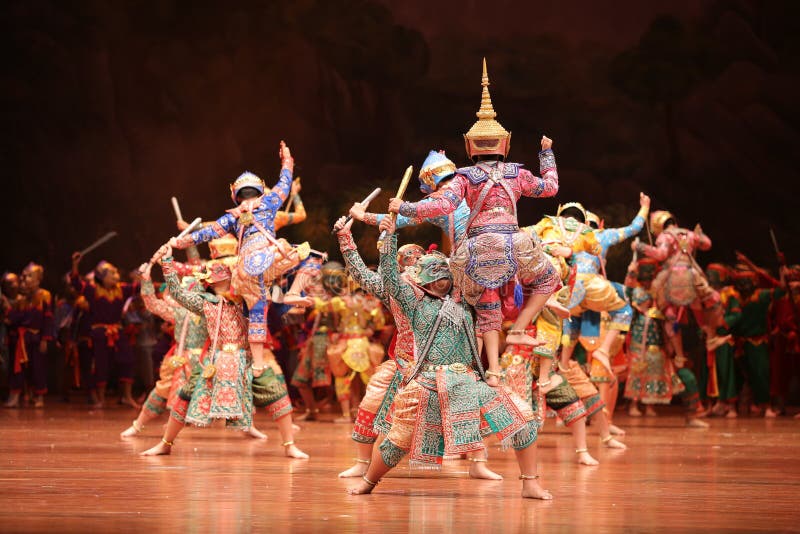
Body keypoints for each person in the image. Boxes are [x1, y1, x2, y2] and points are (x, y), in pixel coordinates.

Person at [388, 59, 561, 394]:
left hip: (474, 251)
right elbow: (550, 188)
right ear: (505, 144)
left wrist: (405, 206)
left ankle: (491, 370)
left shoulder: (465, 177)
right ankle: (521, 328)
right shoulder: (517, 174)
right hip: (514, 243)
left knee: (486, 305)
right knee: (548, 279)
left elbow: (443, 204)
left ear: (470, 147)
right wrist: (547, 155)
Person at [348, 217, 550, 499]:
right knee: (398, 441)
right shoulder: (412, 300)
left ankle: (530, 483)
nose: (442, 277)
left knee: (523, 419)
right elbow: (390, 278)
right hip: (428, 381)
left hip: (466, 380)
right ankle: (368, 480)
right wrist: (388, 237)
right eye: (435, 273)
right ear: (421, 279)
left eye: (446, 273)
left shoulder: (464, 298)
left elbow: (486, 277)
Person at [141, 245, 307, 458]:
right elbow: (177, 293)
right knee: (184, 396)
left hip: (246, 360)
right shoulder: (206, 304)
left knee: (277, 393)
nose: (221, 281)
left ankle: (290, 445)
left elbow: (271, 293)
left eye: (225, 277)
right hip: (215, 361)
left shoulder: (250, 300)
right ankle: (165, 443)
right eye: (216, 279)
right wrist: (167, 262)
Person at [70, 254, 139, 408]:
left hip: (117, 331)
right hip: (100, 333)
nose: (117, 275)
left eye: (116, 272)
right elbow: (75, 283)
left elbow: (138, 287)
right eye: (112, 273)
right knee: (101, 365)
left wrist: (141, 275)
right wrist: (75, 264)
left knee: (128, 360)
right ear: (102, 277)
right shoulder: (93, 290)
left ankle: (127, 396)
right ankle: (101, 399)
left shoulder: (121, 289)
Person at [4, 263, 53, 408]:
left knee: (38, 368)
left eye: (29, 276)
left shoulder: (44, 295)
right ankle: (15, 396)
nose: (24, 278)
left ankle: (39, 396)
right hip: (21, 340)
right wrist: (8, 310)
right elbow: (14, 318)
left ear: (38, 280)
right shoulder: (21, 299)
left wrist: (45, 338)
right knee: (17, 369)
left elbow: (48, 318)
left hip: (36, 338)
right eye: (24, 276)